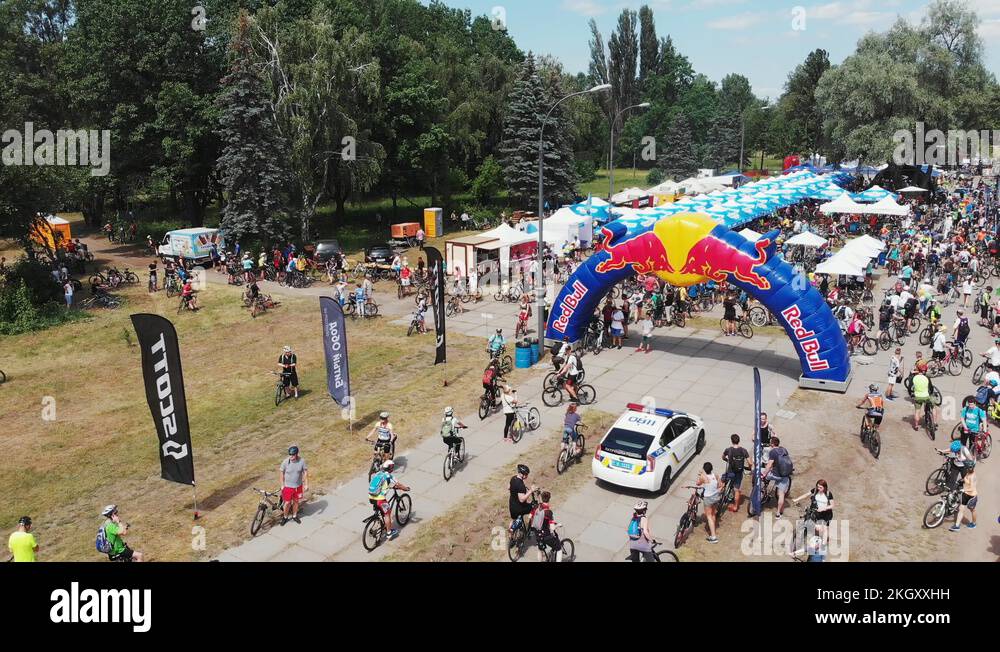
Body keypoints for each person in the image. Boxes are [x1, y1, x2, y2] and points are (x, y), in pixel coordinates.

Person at [368, 460, 410, 540]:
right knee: (387, 514)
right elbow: (398, 485)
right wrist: (405, 489)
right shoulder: (388, 476)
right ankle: (389, 533)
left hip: (371, 497)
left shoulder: (378, 473)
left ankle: (378, 522)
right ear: (390, 468)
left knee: (381, 510)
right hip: (380, 500)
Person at [761, 436, 792, 518]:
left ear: (772, 443)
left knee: (761, 473)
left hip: (776, 475)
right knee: (781, 494)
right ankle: (779, 513)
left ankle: (763, 491)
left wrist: (764, 474)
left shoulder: (773, 452)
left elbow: (769, 464)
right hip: (785, 475)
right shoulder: (784, 449)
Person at [529, 491, 563, 561]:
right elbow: (552, 528)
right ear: (549, 499)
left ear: (541, 498)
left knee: (540, 549)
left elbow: (529, 517)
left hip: (537, 534)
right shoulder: (548, 512)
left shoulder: (536, 507)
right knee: (559, 549)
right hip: (546, 536)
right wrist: (558, 525)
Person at [280, 446, 308, 525]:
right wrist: (282, 484)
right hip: (288, 487)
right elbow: (281, 473)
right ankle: (285, 517)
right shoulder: (285, 462)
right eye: (290, 455)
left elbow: (305, 472)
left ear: (296, 454)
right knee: (287, 503)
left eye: (292, 455)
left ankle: (294, 515)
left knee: (296, 501)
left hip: (298, 486)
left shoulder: (302, 461)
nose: (291, 457)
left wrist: (306, 484)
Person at [721, 434, 750, 513]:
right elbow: (750, 462)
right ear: (739, 441)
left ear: (731, 441)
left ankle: (721, 494)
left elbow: (723, 457)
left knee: (722, 480)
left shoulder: (728, 450)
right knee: (736, 490)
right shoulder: (744, 450)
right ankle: (735, 507)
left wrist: (727, 460)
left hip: (730, 471)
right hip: (739, 473)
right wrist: (750, 468)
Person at [950, 461, 977, 532]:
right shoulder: (968, 472)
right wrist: (960, 481)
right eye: (967, 467)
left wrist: (964, 490)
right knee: (961, 509)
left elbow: (972, 488)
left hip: (972, 497)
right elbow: (965, 479)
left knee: (972, 510)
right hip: (965, 495)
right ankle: (957, 526)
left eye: (969, 467)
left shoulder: (973, 477)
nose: (968, 469)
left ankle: (974, 523)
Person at [697, 462, 721, 543]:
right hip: (716, 497)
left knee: (709, 516)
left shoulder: (704, 477)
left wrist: (701, 475)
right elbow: (719, 485)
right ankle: (712, 530)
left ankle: (713, 537)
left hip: (708, 498)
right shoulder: (716, 475)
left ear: (704, 469)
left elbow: (698, 483)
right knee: (713, 514)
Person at [508, 464, 537, 529]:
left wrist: (515, 490)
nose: (527, 476)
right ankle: (532, 527)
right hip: (519, 508)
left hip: (512, 506)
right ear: (522, 474)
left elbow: (509, 487)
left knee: (513, 520)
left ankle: (511, 536)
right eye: (526, 474)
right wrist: (531, 491)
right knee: (534, 507)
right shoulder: (520, 485)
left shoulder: (513, 478)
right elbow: (521, 499)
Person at [911, 361, 934, 430]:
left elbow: (910, 388)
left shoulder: (914, 378)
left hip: (918, 397)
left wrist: (912, 394)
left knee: (917, 411)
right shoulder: (927, 378)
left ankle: (916, 426)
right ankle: (935, 423)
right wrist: (931, 393)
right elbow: (931, 387)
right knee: (934, 407)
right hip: (926, 396)